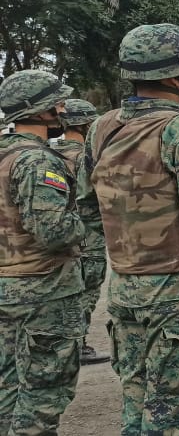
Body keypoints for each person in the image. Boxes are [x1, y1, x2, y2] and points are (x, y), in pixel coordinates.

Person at [78, 23, 179, 434]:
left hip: (125, 293)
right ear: (174, 77)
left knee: (136, 405)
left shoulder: (102, 127)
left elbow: (87, 209)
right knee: (174, 414)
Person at [0, 70, 88, 434]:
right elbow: (53, 230)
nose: (62, 108)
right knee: (44, 389)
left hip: (7, 287)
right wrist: (85, 225)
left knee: (7, 385)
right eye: (56, 103)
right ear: (41, 110)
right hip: (43, 290)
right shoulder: (37, 161)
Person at [53, 98, 112, 365]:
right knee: (86, 292)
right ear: (87, 124)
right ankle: (77, 345)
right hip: (88, 236)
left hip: (59, 236)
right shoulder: (85, 158)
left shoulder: (50, 154)